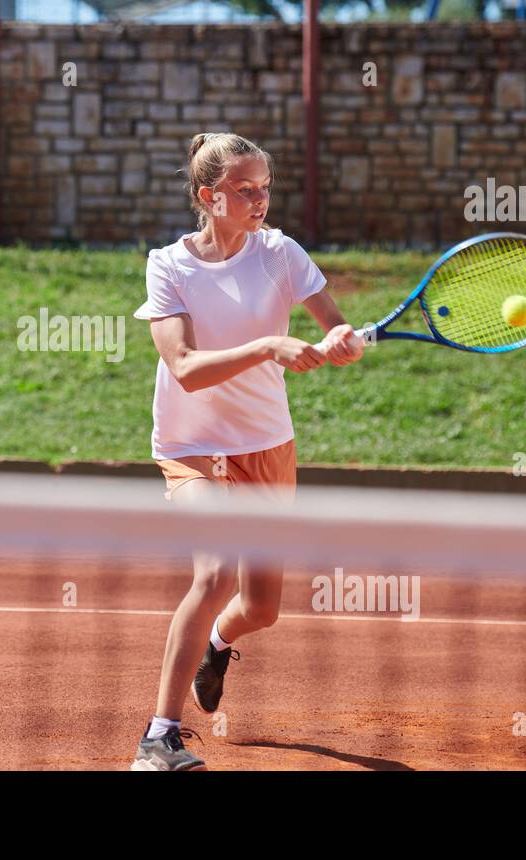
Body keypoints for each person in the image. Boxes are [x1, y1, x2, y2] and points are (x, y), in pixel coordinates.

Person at [130, 132, 365, 771]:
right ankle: (159, 738)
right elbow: (182, 366)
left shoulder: (280, 254)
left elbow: (331, 323)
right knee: (212, 573)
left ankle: (217, 644)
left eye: (265, 187)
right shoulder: (168, 266)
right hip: (192, 445)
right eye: (244, 190)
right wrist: (268, 347)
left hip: (266, 442)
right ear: (209, 197)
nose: (260, 200)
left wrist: (341, 340)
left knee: (261, 608)